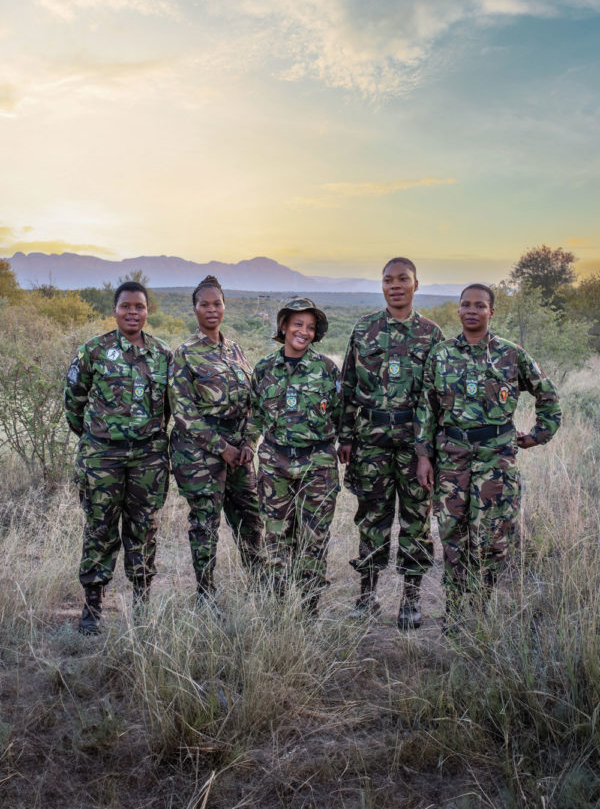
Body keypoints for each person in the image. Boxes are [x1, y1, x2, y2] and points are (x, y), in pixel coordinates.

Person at [415, 283, 561, 628]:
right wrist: (423, 455)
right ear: (459, 310)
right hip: (451, 457)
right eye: (466, 304)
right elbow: (426, 407)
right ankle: (455, 609)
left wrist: (537, 436)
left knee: (491, 538)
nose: (471, 310)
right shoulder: (441, 354)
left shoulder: (512, 354)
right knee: (452, 536)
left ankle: (479, 609)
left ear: (491, 312)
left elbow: (548, 396)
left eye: (479, 305)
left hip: (496, 459)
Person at [338, 257, 444, 628]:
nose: (394, 285)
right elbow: (348, 386)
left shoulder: (431, 334)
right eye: (387, 280)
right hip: (370, 443)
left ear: (416, 284)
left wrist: (428, 451)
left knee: (416, 521)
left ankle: (410, 600)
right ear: (381, 285)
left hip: (415, 447)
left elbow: (436, 398)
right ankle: (366, 597)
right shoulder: (364, 329)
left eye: (402, 279)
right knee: (372, 519)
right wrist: (346, 436)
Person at [65, 280, 171, 634]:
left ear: (147, 311)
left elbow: (171, 407)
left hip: (147, 460)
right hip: (102, 459)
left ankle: (142, 605)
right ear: (115, 310)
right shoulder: (93, 351)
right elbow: (73, 402)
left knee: (144, 529)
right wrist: (96, 440)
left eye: (139, 307)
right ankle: (92, 608)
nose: (132, 312)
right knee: (100, 529)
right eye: (126, 306)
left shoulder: (163, 355)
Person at [168, 275, 263, 600]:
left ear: (225, 306)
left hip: (240, 453)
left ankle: (261, 590)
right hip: (200, 456)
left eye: (217, 303)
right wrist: (221, 447)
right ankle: (206, 594)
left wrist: (249, 442)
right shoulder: (185, 354)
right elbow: (183, 411)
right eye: (204, 304)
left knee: (251, 520)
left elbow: (254, 402)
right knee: (205, 525)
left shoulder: (235, 350)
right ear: (194, 309)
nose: (212, 309)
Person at [250, 298, 341, 614]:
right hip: (275, 464)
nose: (304, 331)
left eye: (311, 327)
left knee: (314, 541)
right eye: (298, 324)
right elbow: (254, 417)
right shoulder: (263, 369)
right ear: (284, 326)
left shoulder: (328, 369)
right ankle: (275, 611)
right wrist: (248, 450)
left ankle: (310, 609)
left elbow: (342, 417)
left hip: (318, 465)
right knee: (275, 540)